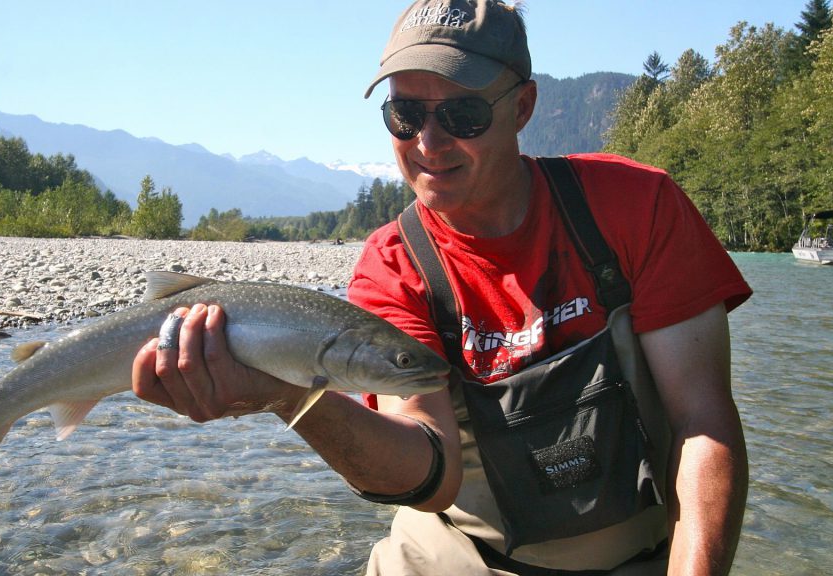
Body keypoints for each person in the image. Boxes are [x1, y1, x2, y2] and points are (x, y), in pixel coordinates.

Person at [131, 1, 752, 573]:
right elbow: (432, 475)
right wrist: (289, 398)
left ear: (523, 107)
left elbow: (703, 420)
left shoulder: (635, 205)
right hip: (457, 551)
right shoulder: (393, 263)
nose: (428, 142)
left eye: (463, 113)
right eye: (405, 114)